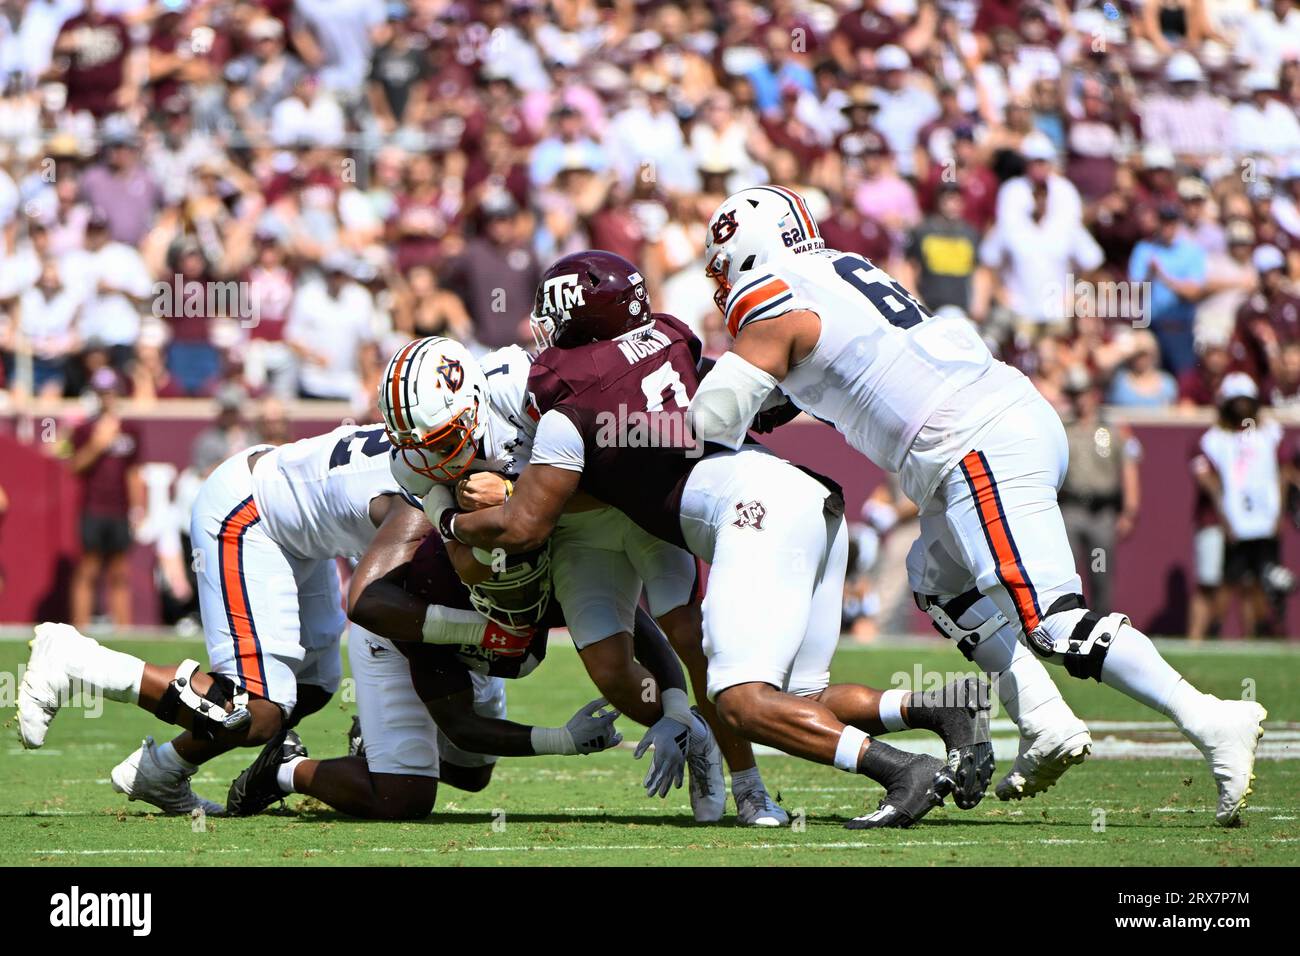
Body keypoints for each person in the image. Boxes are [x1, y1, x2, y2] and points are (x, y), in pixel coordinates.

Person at [692, 185, 1266, 825]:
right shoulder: (838, 270)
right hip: (993, 420)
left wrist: (679, 403)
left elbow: (714, 417)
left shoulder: (771, 290)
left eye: (721, 262)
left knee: (1055, 624)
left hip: (973, 441)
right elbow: (839, 369)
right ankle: (1044, 719)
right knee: (936, 581)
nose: (722, 282)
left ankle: (1212, 718)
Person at [440, 252, 994, 830]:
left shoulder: (567, 407)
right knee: (794, 702)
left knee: (740, 699)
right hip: (807, 496)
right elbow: (727, 395)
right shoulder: (669, 338)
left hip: (755, 511)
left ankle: (903, 771)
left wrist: (455, 523)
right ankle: (938, 707)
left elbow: (527, 523)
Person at [368, 336, 787, 825]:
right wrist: (489, 528)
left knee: (689, 636)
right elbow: (464, 557)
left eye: (438, 439)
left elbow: (601, 460)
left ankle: (751, 787)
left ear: (472, 402)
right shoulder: (412, 463)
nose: (430, 457)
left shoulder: (519, 385)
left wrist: (511, 492)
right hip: (574, 537)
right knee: (613, 675)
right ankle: (695, 732)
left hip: (633, 503)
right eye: (417, 445)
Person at [18, 424, 430, 814]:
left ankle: (161, 770)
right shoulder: (438, 477)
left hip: (302, 527)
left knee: (312, 685)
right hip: (253, 510)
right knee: (258, 710)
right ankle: (79, 663)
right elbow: (371, 595)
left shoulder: (440, 453)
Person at [1191, 374, 1291, 637]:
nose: (1241, 408)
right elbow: (1210, 481)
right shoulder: (1215, 439)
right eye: (1236, 401)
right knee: (1227, 581)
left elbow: (1283, 473)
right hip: (1234, 521)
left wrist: (1278, 512)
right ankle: (1213, 631)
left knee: (1261, 581)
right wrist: (1225, 518)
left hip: (1263, 521)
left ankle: (1259, 632)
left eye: (1246, 401)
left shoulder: (1270, 433)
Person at [67, 368, 145, 629]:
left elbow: (134, 472)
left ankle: (124, 631)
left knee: (120, 571)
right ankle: (80, 628)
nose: (106, 397)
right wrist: (99, 443)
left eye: (110, 391)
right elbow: (76, 466)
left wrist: (138, 507)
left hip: (119, 509)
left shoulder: (130, 429)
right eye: (101, 392)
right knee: (88, 569)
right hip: (93, 508)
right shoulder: (84, 429)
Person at [1058, 374, 1142, 615]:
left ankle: (1099, 621)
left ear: (1093, 393)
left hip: (1101, 513)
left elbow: (1128, 466)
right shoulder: (1063, 428)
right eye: (1074, 395)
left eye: (1083, 393)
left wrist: (1130, 509)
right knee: (1067, 571)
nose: (1079, 400)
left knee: (1100, 571)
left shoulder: (1112, 429)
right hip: (1070, 510)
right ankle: (1067, 621)